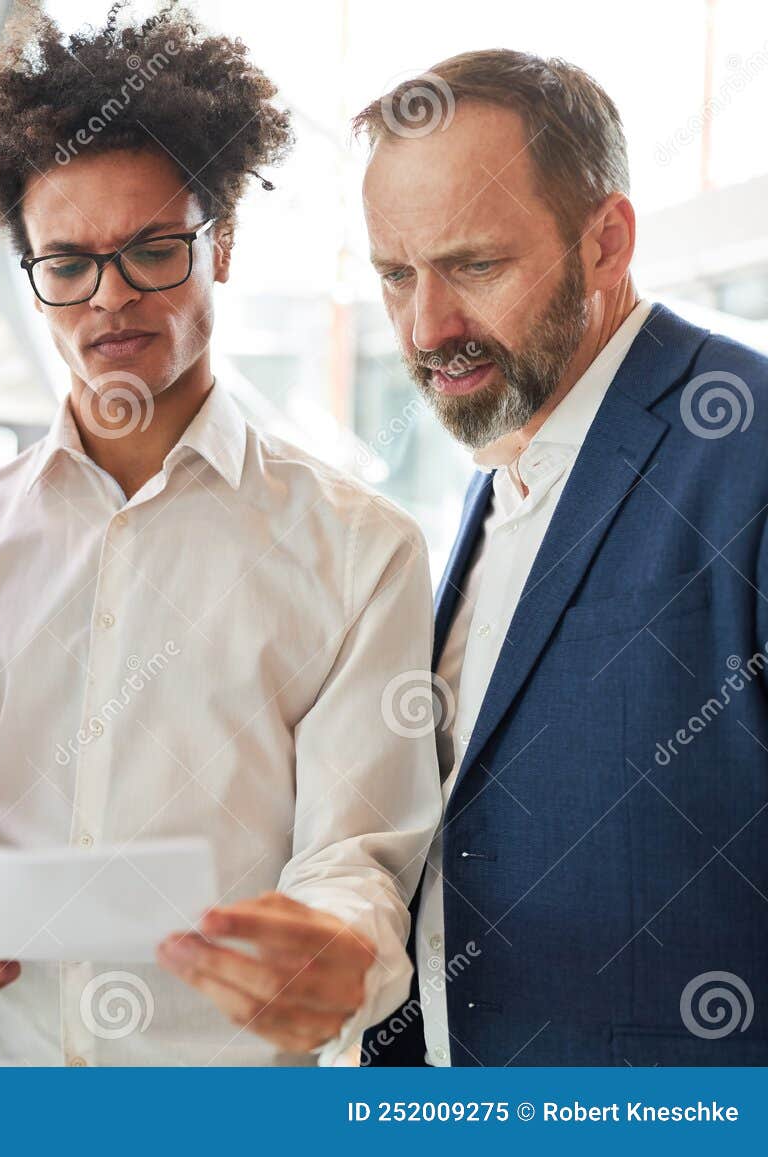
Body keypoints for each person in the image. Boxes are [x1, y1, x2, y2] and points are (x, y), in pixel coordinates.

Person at [0, 3, 441, 1066]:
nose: (110, 297)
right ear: (31, 275)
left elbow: (352, 860)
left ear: (223, 243)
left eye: (153, 251)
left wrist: (339, 950)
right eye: (67, 263)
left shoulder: (362, 551)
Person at [357, 50, 768, 1065]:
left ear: (606, 242)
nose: (427, 327)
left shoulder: (748, 446)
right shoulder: (500, 470)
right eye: (396, 275)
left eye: (474, 265)